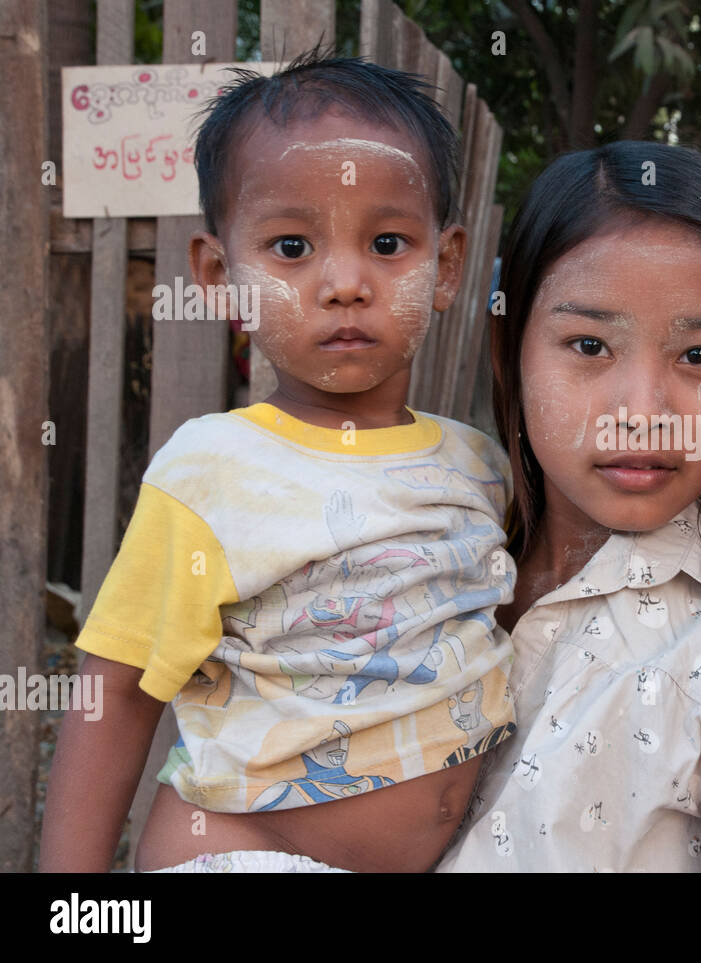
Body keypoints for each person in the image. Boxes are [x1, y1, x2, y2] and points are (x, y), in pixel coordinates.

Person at [40, 48, 516, 874]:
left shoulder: (479, 465)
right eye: (292, 246)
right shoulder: (214, 471)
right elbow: (115, 692)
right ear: (220, 276)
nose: (343, 282)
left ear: (445, 268)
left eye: (389, 242)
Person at [436, 142, 701, 872]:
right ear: (507, 348)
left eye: (700, 356)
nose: (643, 413)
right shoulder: (417, 575)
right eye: (588, 344)